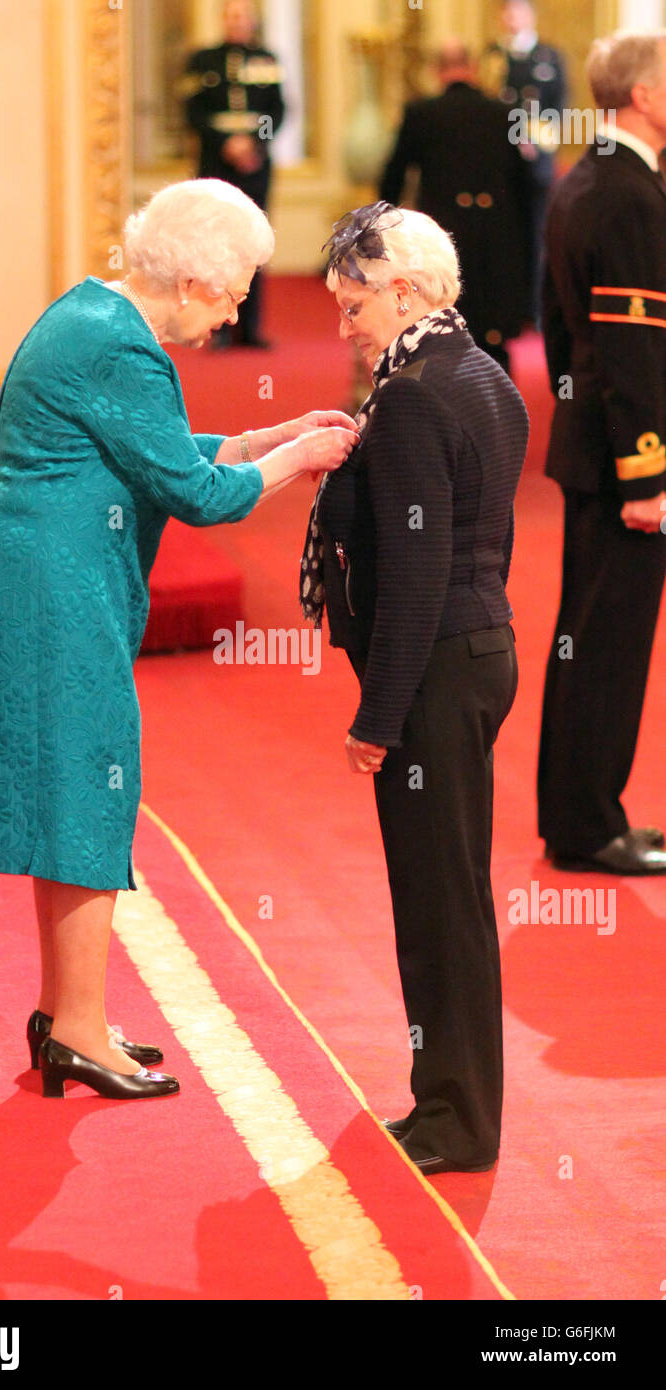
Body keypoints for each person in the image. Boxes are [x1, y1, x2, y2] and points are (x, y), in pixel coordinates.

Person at [0, 179, 359, 1101]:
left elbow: (153, 450)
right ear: (196, 277)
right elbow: (198, 497)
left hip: (37, 572)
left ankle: (65, 1016)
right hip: (51, 587)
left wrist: (264, 435)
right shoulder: (122, 346)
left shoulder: (92, 315)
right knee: (87, 788)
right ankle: (78, 1031)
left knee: (67, 791)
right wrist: (301, 459)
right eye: (238, 286)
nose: (241, 306)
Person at [301, 204, 528, 1174]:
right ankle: (451, 1103)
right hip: (483, 652)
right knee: (452, 898)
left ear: (403, 291)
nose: (344, 325)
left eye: (353, 305)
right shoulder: (481, 373)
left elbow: (417, 574)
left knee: (439, 908)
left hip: (437, 669)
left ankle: (456, 1120)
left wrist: (377, 717)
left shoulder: (409, 399)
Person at [537, 31, 666, 874]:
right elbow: (631, 349)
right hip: (626, 462)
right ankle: (588, 827)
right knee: (607, 644)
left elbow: (558, 336)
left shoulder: (589, 179)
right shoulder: (628, 195)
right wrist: (646, 471)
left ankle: (584, 813)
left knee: (588, 637)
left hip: (592, 444)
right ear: (645, 96)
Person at [379, 38, 533, 373]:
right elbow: (524, 183)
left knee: (443, 323)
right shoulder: (504, 114)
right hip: (495, 234)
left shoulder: (421, 112)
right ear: (473, 68)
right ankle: (499, 405)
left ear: (437, 71)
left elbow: (394, 175)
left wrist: (387, 234)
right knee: (492, 335)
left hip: (441, 235)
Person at [182, 0, 284, 348]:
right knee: (216, 246)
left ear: (252, 21)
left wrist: (255, 145)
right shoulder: (202, 61)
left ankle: (249, 328)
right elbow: (193, 113)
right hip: (216, 165)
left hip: (255, 168)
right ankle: (218, 327)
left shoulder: (267, 60)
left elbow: (277, 111)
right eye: (231, 15)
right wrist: (226, 144)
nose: (237, 22)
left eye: (243, 16)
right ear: (223, 20)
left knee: (253, 245)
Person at [481, 0, 568, 317]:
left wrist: (535, 141)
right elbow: (490, 104)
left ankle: (536, 308)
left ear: (531, 15)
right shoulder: (494, 55)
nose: (513, 17)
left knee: (536, 233)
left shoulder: (549, 56)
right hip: (501, 157)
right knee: (504, 232)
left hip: (536, 160)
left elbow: (558, 108)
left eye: (519, 10)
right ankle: (507, 306)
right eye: (508, 11)